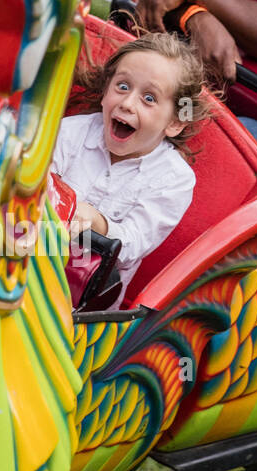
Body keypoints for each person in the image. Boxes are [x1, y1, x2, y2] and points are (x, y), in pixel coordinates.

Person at [50, 32, 205, 293]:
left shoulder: (175, 179)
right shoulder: (70, 132)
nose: (127, 103)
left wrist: (99, 223)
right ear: (105, 92)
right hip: (30, 257)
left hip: (83, 302)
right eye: (122, 87)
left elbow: (133, 243)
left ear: (175, 121)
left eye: (149, 98)